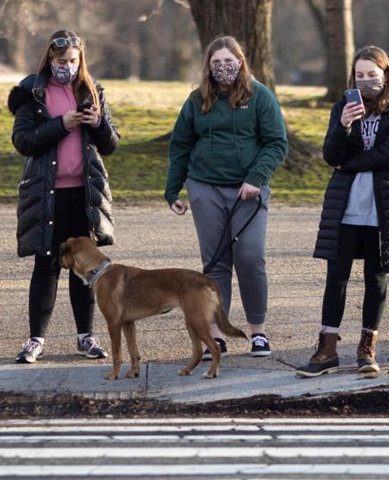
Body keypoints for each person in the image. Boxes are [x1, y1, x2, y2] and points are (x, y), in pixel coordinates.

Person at [296, 45, 389, 378]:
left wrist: (347, 164)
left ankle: (367, 349)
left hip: (382, 209)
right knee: (336, 278)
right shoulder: (343, 107)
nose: (365, 81)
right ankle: (327, 350)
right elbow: (331, 155)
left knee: (375, 279)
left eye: (371, 75)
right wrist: (343, 126)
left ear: (385, 74)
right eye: (359, 75)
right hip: (345, 208)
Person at [165, 35, 288, 359]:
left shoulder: (260, 97)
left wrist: (255, 178)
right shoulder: (197, 100)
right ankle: (216, 335)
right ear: (208, 66)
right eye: (216, 62)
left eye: (229, 61)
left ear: (241, 62)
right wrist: (172, 189)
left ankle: (258, 332)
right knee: (216, 262)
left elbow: (277, 143)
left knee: (250, 259)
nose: (223, 67)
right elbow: (180, 145)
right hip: (204, 187)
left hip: (248, 191)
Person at [7, 30, 120, 364]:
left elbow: (111, 144)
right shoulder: (32, 92)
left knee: (85, 266)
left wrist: (97, 124)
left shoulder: (91, 89)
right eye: (61, 61)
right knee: (47, 263)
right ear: (50, 59)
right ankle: (36, 340)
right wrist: (62, 124)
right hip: (46, 193)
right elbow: (23, 141)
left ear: (80, 60)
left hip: (85, 194)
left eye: (72, 61)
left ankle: (86, 336)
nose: (67, 67)